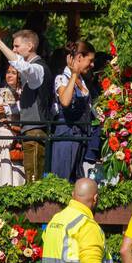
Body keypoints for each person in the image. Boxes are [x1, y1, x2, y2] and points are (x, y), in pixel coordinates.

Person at [0, 25, 52, 183]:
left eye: (16, 46)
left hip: (35, 130)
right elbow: (26, 103)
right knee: (30, 177)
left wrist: (0, 44)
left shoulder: (37, 68)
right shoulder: (30, 71)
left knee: (33, 180)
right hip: (29, 130)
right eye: (13, 47)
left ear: (30, 46)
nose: (14, 50)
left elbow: (22, 66)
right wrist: (6, 111)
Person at [49, 40, 96, 182]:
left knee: (76, 179)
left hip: (80, 135)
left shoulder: (83, 80)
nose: (92, 65)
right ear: (79, 58)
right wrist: (74, 74)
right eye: (91, 60)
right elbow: (65, 101)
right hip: (66, 134)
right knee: (63, 179)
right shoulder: (62, 78)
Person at [0, 67, 27, 187]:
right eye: (8, 72)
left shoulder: (24, 93)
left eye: (13, 73)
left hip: (13, 134)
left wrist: (4, 110)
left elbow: (22, 109)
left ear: (20, 76)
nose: (9, 75)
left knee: (12, 172)